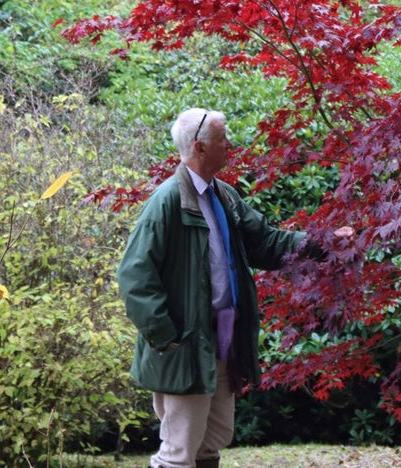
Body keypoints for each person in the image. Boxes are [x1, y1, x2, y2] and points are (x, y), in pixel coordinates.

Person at [117, 108, 352, 468]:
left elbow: (267, 243)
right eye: (223, 138)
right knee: (179, 450)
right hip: (185, 346)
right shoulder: (166, 202)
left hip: (224, 340)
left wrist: (323, 242)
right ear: (200, 147)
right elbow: (135, 275)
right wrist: (166, 337)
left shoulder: (223, 196)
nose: (230, 144)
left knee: (212, 441)